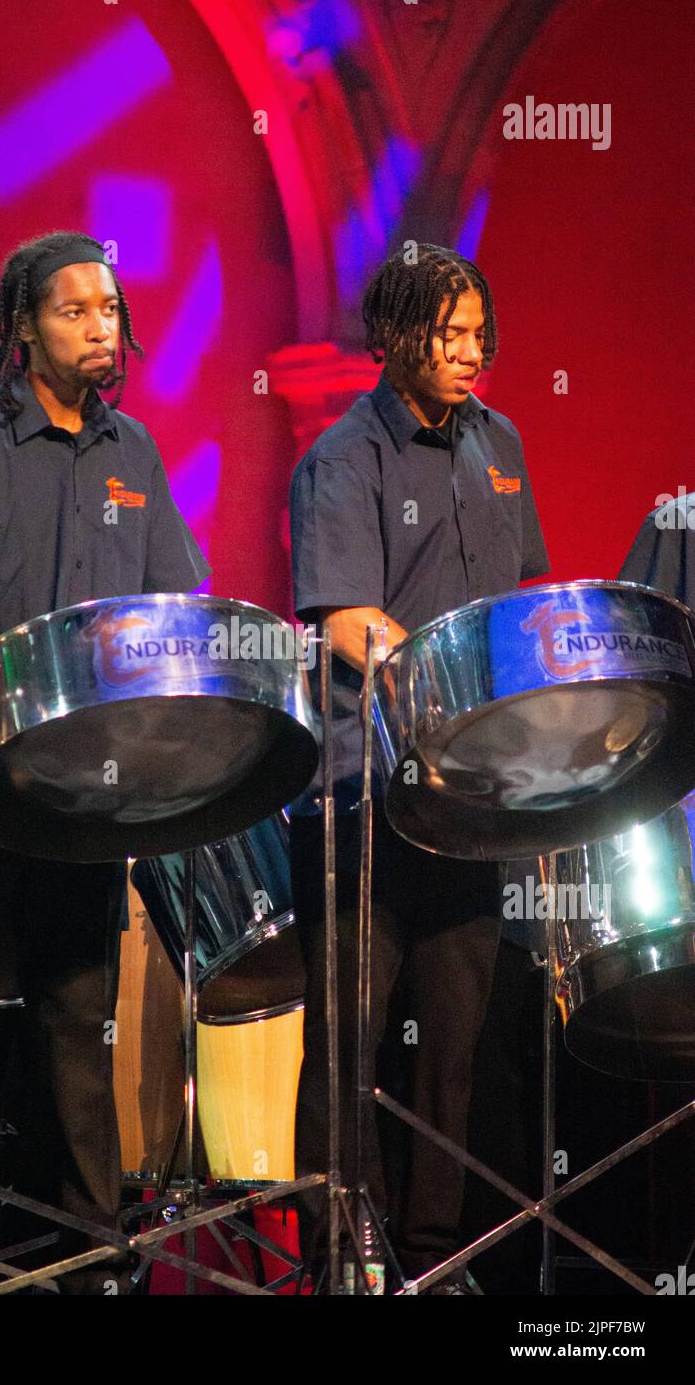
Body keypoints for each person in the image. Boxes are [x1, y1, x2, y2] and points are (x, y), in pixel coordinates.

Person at [0, 231, 210, 1291]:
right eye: (76, 310)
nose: (100, 327)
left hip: (89, 801)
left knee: (83, 1027)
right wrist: (12, 676)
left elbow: (173, 614)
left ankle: (85, 1259)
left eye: (111, 310)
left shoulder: (135, 455)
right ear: (24, 327)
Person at [288, 242, 550, 1293]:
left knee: (453, 1036)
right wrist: (442, 695)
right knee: (350, 1038)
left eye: (479, 333)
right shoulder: (342, 460)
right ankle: (341, 1254)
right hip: (366, 792)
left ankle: (437, 1255)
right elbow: (348, 621)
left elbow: (523, 597)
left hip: (471, 798)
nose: (468, 352)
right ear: (395, 336)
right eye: (448, 333)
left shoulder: (502, 444)